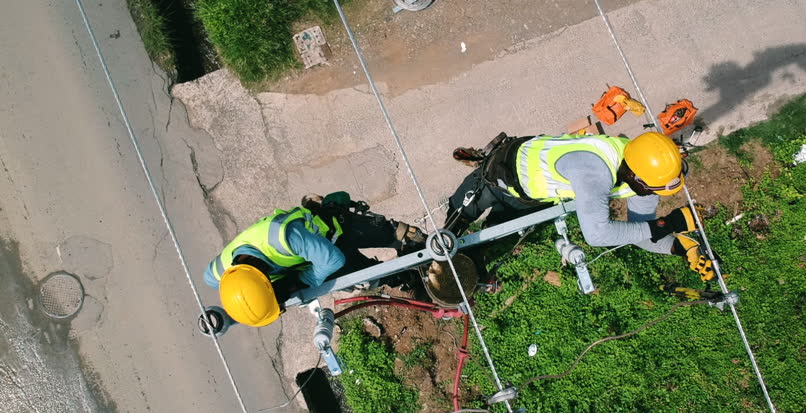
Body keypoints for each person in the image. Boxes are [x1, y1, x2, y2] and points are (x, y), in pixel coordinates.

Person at [445, 132, 714, 282]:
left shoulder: (639, 168)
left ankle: (453, 273)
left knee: (482, 247)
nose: (654, 194)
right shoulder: (595, 171)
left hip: (529, 199)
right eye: (653, 188)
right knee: (451, 228)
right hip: (497, 177)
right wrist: (671, 223)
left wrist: (679, 245)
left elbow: (641, 233)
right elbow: (597, 235)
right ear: (634, 175)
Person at [204, 192, 425, 329]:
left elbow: (332, 260)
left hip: (334, 230)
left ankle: (415, 244)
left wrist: (302, 282)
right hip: (315, 256)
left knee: (396, 235)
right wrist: (229, 316)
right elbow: (222, 283)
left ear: (266, 280)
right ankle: (407, 276)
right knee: (370, 277)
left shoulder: (282, 238)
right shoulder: (223, 273)